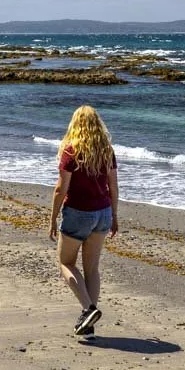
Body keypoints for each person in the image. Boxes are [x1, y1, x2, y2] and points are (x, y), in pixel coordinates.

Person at [49, 104, 118, 335]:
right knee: (92, 268)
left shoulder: (71, 150)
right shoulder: (106, 150)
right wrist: (115, 216)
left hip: (79, 212)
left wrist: (52, 217)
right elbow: (113, 186)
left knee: (66, 262)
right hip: (103, 213)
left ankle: (88, 308)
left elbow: (61, 188)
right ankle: (88, 323)